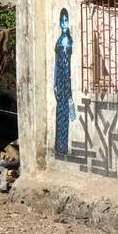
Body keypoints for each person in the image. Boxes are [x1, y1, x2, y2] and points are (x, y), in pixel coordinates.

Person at [53, 8, 75, 154]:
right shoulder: (59, 41)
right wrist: (55, 82)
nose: (64, 23)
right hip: (60, 77)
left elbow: (71, 62)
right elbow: (56, 63)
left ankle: (63, 146)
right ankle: (59, 146)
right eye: (62, 21)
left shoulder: (71, 40)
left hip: (67, 77)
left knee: (66, 111)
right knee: (60, 112)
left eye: (66, 20)